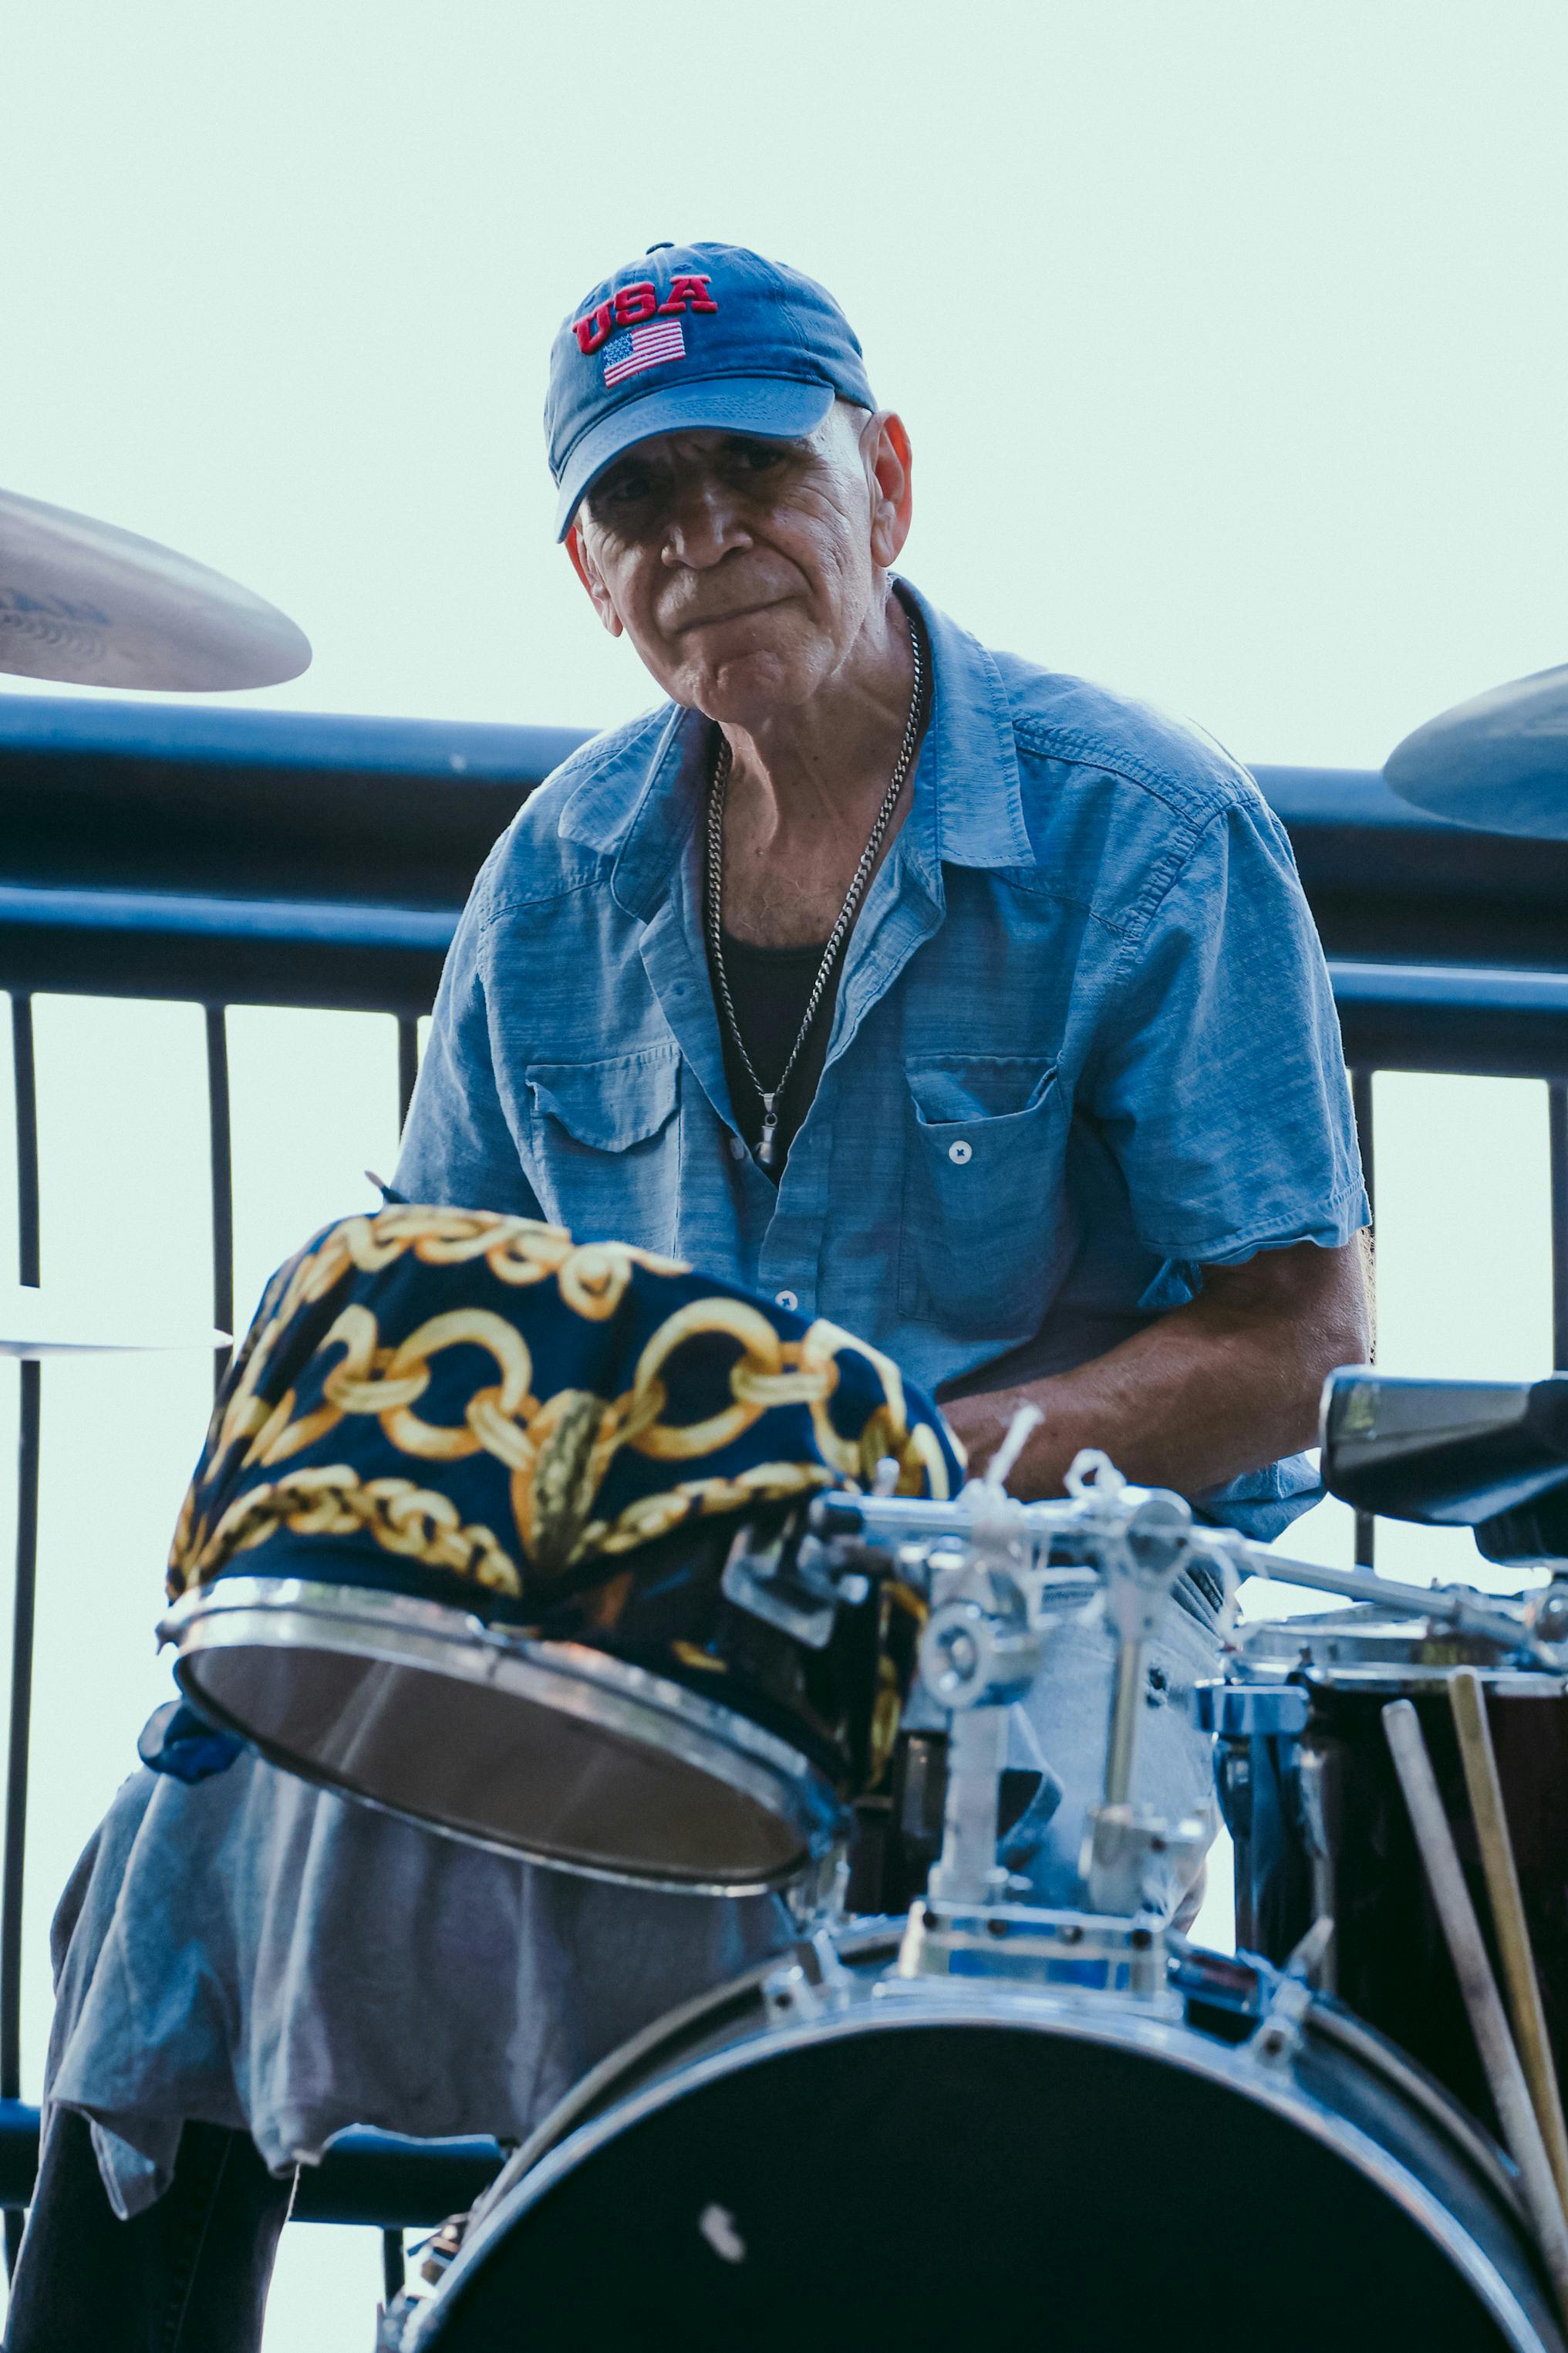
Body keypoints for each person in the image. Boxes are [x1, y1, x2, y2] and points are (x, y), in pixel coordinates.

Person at [6, 240, 1367, 2351]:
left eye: (755, 467)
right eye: (640, 501)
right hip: (628, 1645)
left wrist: (878, 1481)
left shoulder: (1142, 822)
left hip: (1015, 1645)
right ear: (585, 568)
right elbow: (445, 1301)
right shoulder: (554, 870)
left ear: (885, 479)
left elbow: (1298, 1341)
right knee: (201, 1806)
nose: (703, 537)